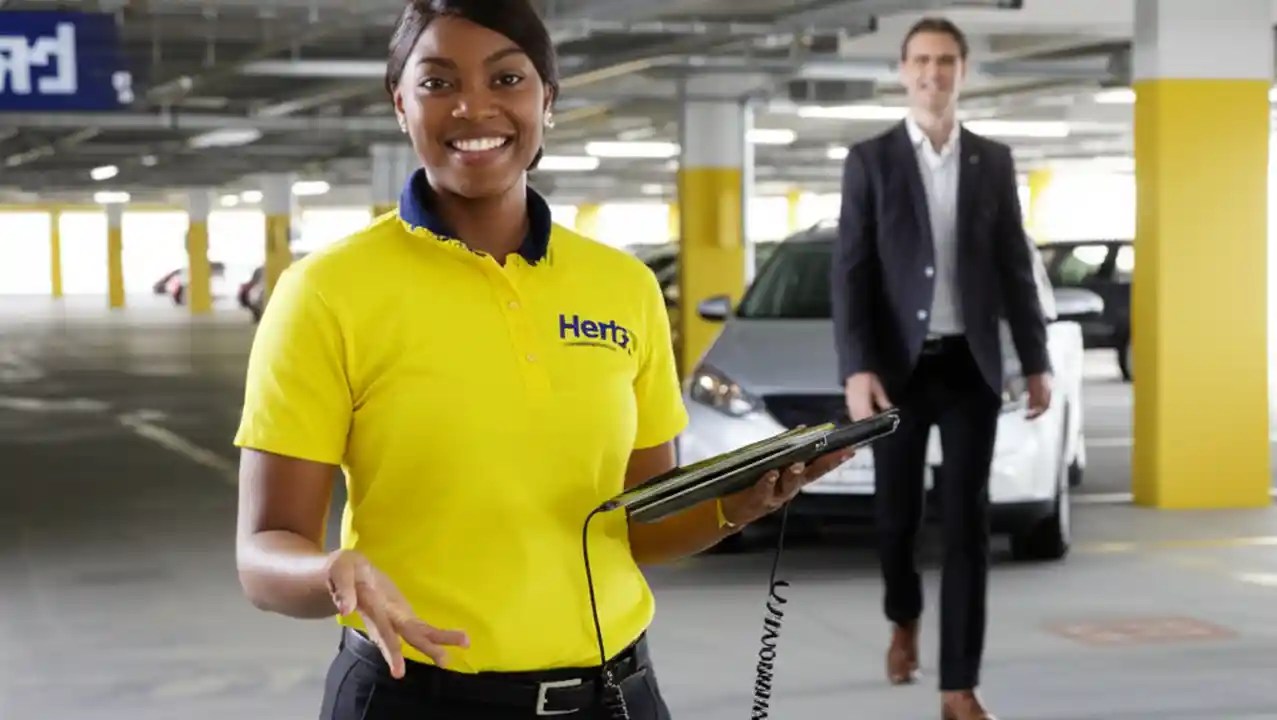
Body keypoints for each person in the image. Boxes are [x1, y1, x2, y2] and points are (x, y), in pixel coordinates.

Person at [232, 1, 856, 718]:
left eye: (507, 79)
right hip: (416, 698)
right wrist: (332, 574)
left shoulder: (622, 287)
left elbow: (643, 524)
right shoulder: (326, 292)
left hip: (615, 694)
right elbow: (263, 556)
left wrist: (735, 506)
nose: (473, 107)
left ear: (547, 102)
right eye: (437, 83)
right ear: (399, 104)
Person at [830, 16, 1052, 720]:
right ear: (903, 71)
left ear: (962, 70)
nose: (934, 72)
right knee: (897, 520)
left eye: (946, 60)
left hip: (970, 369)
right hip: (897, 371)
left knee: (966, 525)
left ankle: (959, 684)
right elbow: (852, 272)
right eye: (922, 60)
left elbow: (1016, 268)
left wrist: (1037, 359)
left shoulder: (993, 160)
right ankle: (904, 615)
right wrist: (856, 367)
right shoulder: (871, 160)